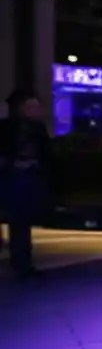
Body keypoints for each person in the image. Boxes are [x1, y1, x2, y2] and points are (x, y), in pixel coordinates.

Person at [0, 89, 52, 280]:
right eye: (31, 106)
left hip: (29, 178)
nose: (35, 110)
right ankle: (20, 262)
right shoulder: (7, 128)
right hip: (12, 178)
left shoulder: (37, 129)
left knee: (22, 222)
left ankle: (23, 262)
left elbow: (46, 155)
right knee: (17, 220)